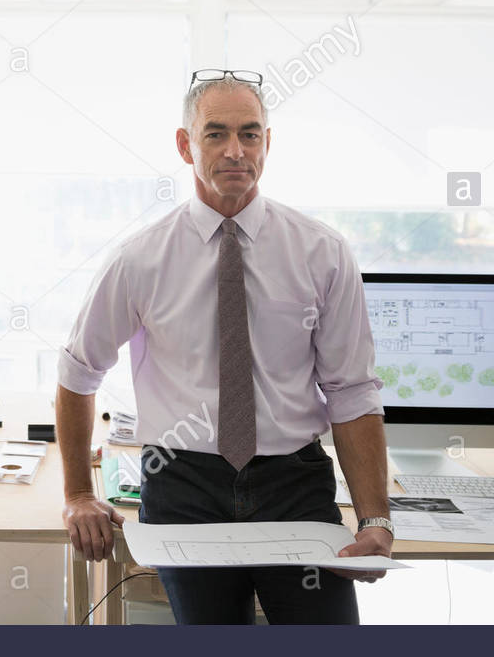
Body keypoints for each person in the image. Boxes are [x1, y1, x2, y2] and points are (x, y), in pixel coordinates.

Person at [55, 69, 393, 624]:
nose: (236, 150)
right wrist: (77, 492)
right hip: (185, 485)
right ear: (186, 146)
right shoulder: (140, 259)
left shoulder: (323, 253)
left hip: (293, 483)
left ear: (267, 143)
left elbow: (351, 391)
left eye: (250, 133)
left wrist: (376, 520)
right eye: (216, 134)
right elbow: (78, 372)